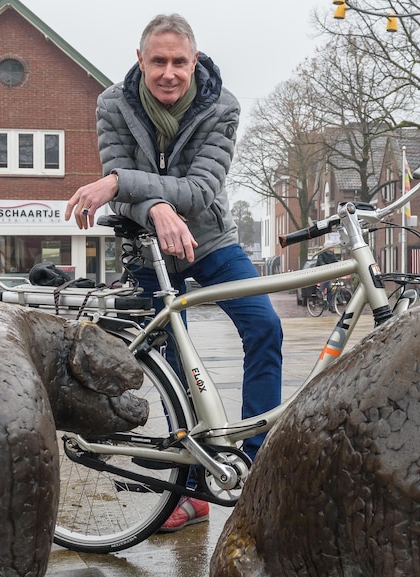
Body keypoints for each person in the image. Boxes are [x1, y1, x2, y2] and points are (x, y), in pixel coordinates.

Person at [65, 13, 283, 534]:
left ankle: (255, 462)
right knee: (167, 364)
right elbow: (131, 198)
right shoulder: (112, 105)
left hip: (208, 240)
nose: (168, 72)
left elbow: (203, 187)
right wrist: (154, 209)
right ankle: (190, 494)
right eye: (158, 61)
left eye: (178, 62)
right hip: (147, 249)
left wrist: (119, 183)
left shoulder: (222, 105)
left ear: (194, 61)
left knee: (264, 324)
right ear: (140, 61)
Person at [315, 247, 340, 312]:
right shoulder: (321, 253)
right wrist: (326, 267)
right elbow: (320, 262)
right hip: (321, 272)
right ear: (328, 248)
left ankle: (330, 307)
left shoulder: (332, 254)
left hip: (328, 273)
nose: (333, 249)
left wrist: (341, 264)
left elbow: (335, 261)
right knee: (326, 285)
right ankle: (320, 293)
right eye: (332, 247)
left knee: (330, 290)